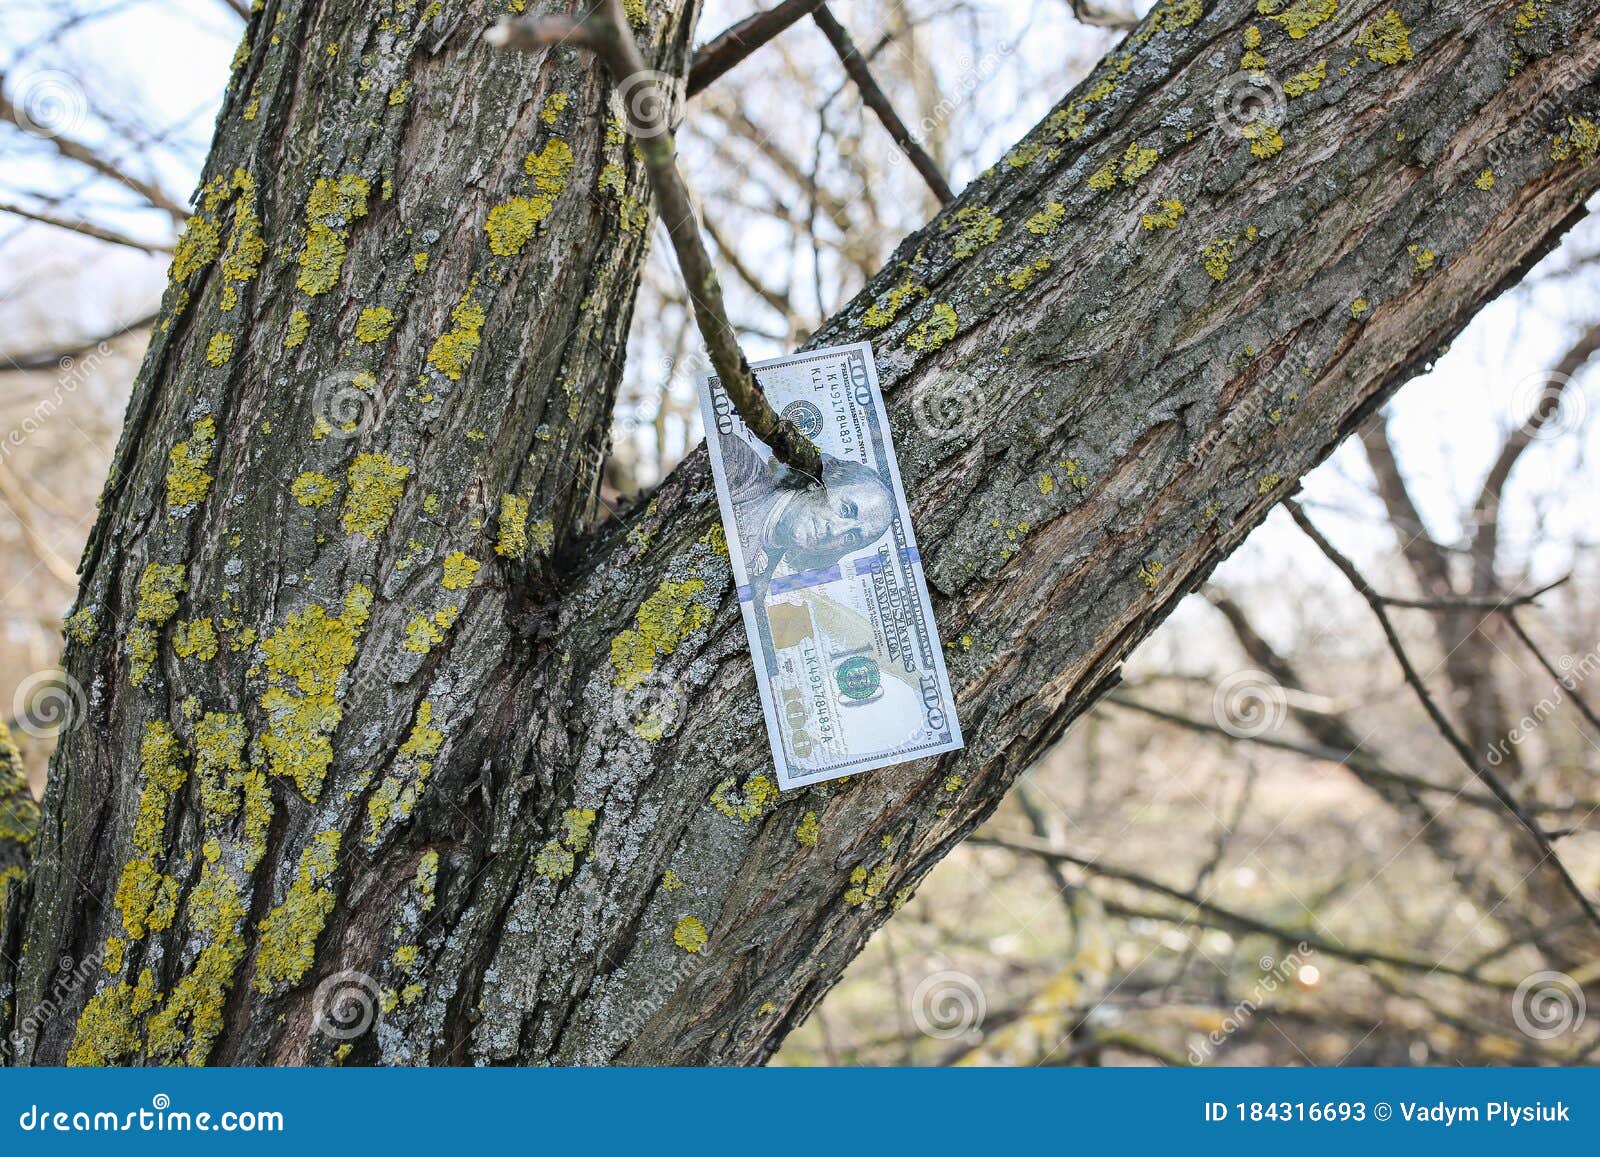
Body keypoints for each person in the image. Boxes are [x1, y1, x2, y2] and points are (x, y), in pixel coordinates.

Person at [722, 435, 894, 589]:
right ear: (817, 485)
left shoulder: (760, 588)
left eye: (851, 537)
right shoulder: (739, 463)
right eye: (846, 510)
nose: (835, 531)